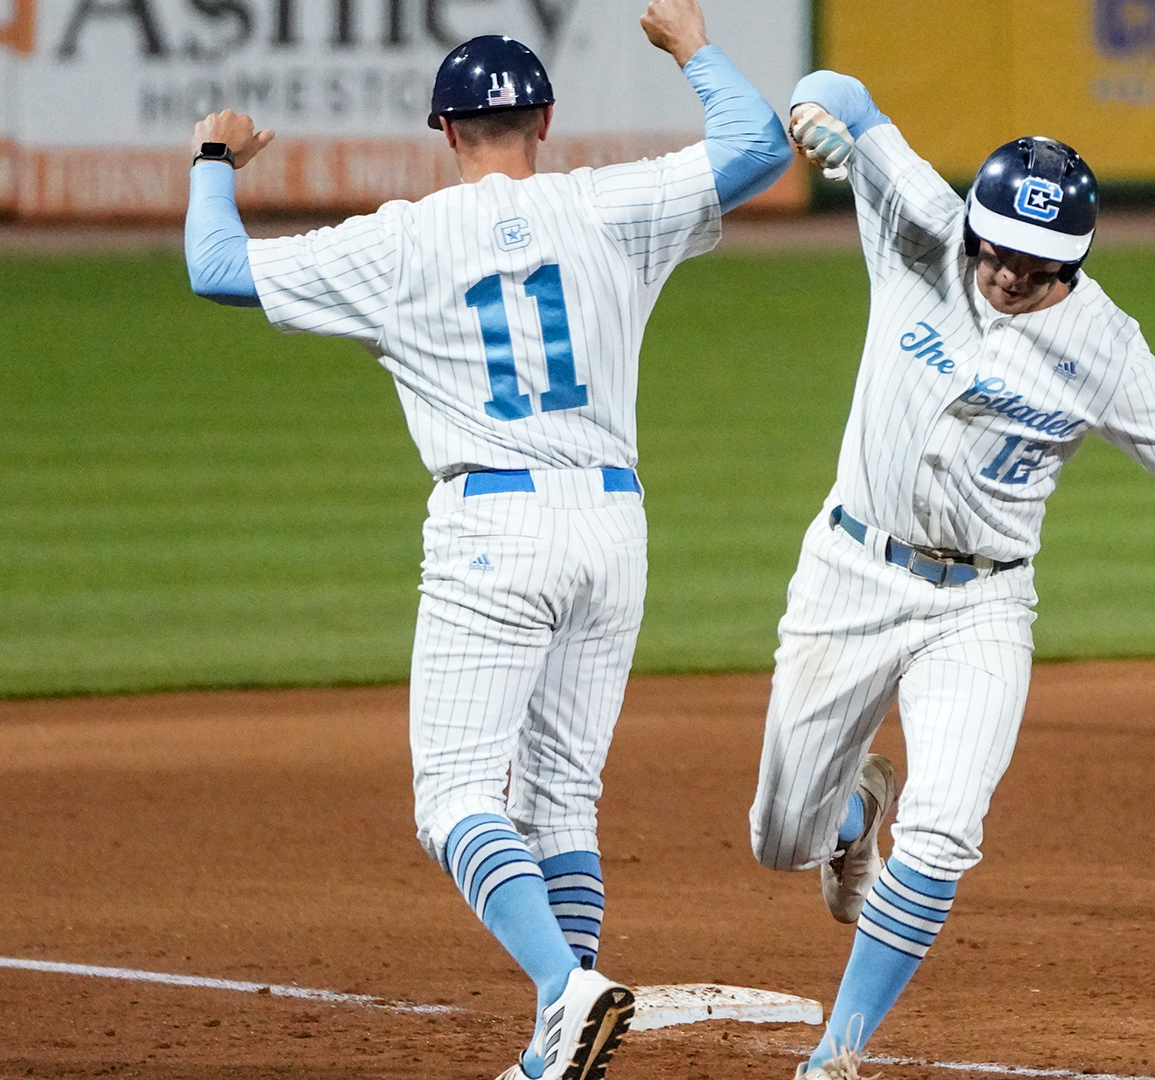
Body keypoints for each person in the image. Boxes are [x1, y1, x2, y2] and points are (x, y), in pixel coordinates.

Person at [180, 3, 790, 1077]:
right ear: (544, 121)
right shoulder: (610, 203)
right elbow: (756, 145)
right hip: (613, 521)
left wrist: (214, 158)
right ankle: (560, 1046)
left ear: (445, 133)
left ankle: (568, 987)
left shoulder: (400, 239)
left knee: (457, 797)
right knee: (560, 794)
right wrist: (691, 47)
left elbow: (216, 267)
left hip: (492, 528)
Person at [750, 72, 1155, 1079]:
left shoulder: (1107, 348)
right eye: (994, 248)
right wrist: (814, 116)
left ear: (1072, 261)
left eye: (1034, 265)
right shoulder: (923, 229)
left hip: (985, 603)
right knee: (782, 837)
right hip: (850, 574)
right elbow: (847, 93)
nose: (1004, 273)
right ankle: (853, 813)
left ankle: (836, 1055)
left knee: (945, 833)